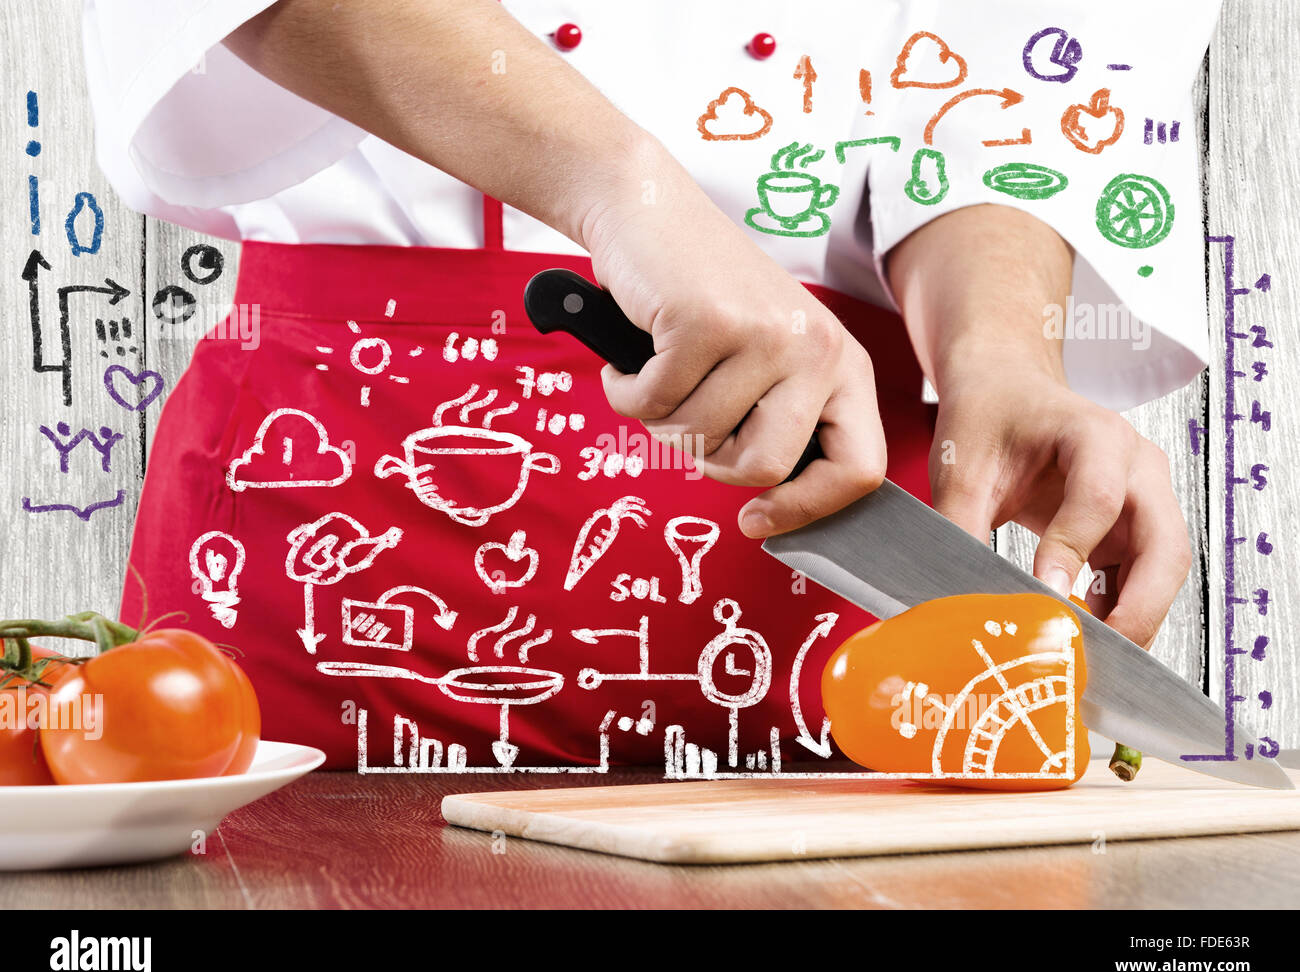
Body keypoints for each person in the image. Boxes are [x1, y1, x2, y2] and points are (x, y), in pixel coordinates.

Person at [81, 0, 1217, 770]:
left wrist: (1002, 350)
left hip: (840, 556)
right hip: (346, 519)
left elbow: (1017, 49)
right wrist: (618, 187)